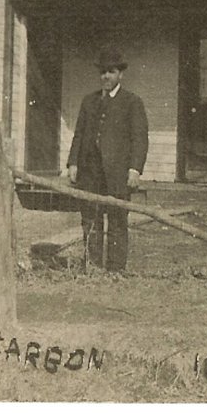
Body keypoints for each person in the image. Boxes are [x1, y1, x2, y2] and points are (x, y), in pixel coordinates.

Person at [66, 47, 149, 271]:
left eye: (111, 72)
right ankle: (93, 266)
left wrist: (135, 169)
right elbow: (79, 134)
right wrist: (73, 162)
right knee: (90, 219)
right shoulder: (89, 101)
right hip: (90, 173)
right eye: (103, 72)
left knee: (117, 220)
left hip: (117, 174)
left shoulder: (132, 102)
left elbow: (140, 138)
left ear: (121, 74)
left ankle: (115, 269)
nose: (106, 76)